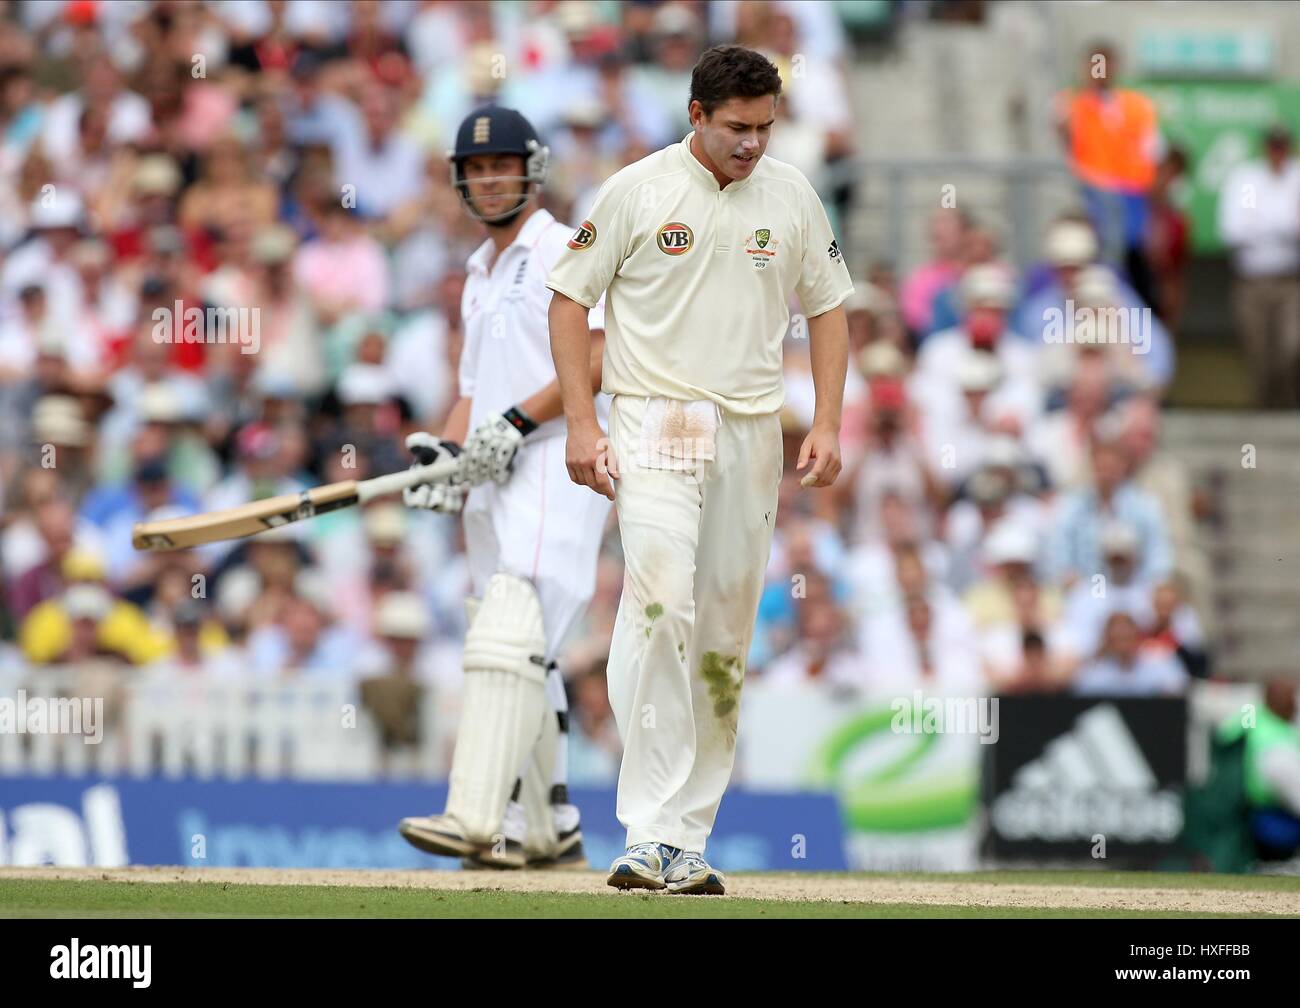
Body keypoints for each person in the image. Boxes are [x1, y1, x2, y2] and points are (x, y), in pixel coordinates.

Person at [547, 46, 853, 894]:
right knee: (657, 598)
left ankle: (686, 837)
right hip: (660, 416)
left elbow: (828, 308)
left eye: (764, 128)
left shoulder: (790, 193)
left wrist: (825, 420)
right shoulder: (638, 189)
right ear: (695, 115)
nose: (753, 145)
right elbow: (569, 300)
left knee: (722, 634)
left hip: (753, 430)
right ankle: (646, 829)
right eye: (736, 129)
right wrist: (581, 422)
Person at [395, 106, 610, 870]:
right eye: (476, 169)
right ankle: (552, 828)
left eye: (502, 166)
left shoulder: (564, 245)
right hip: (491, 469)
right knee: (519, 647)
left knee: (514, 622)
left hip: (559, 453)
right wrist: (441, 454)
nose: (489, 180)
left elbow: (603, 349)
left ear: (531, 169)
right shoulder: (477, 274)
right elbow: (470, 390)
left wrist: (517, 421)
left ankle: (483, 817)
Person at [1218, 125, 1300, 408]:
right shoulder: (1246, 179)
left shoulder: (1296, 177)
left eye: (1283, 146)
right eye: (1273, 146)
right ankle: (1266, 415)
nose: (1278, 152)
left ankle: (1290, 409)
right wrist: (1282, 228)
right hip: (1251, 281)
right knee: (1259, 354)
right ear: (1265, 148)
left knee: (1291, 347)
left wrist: (1264, 226)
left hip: (1291, 282)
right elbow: (1233, 231)